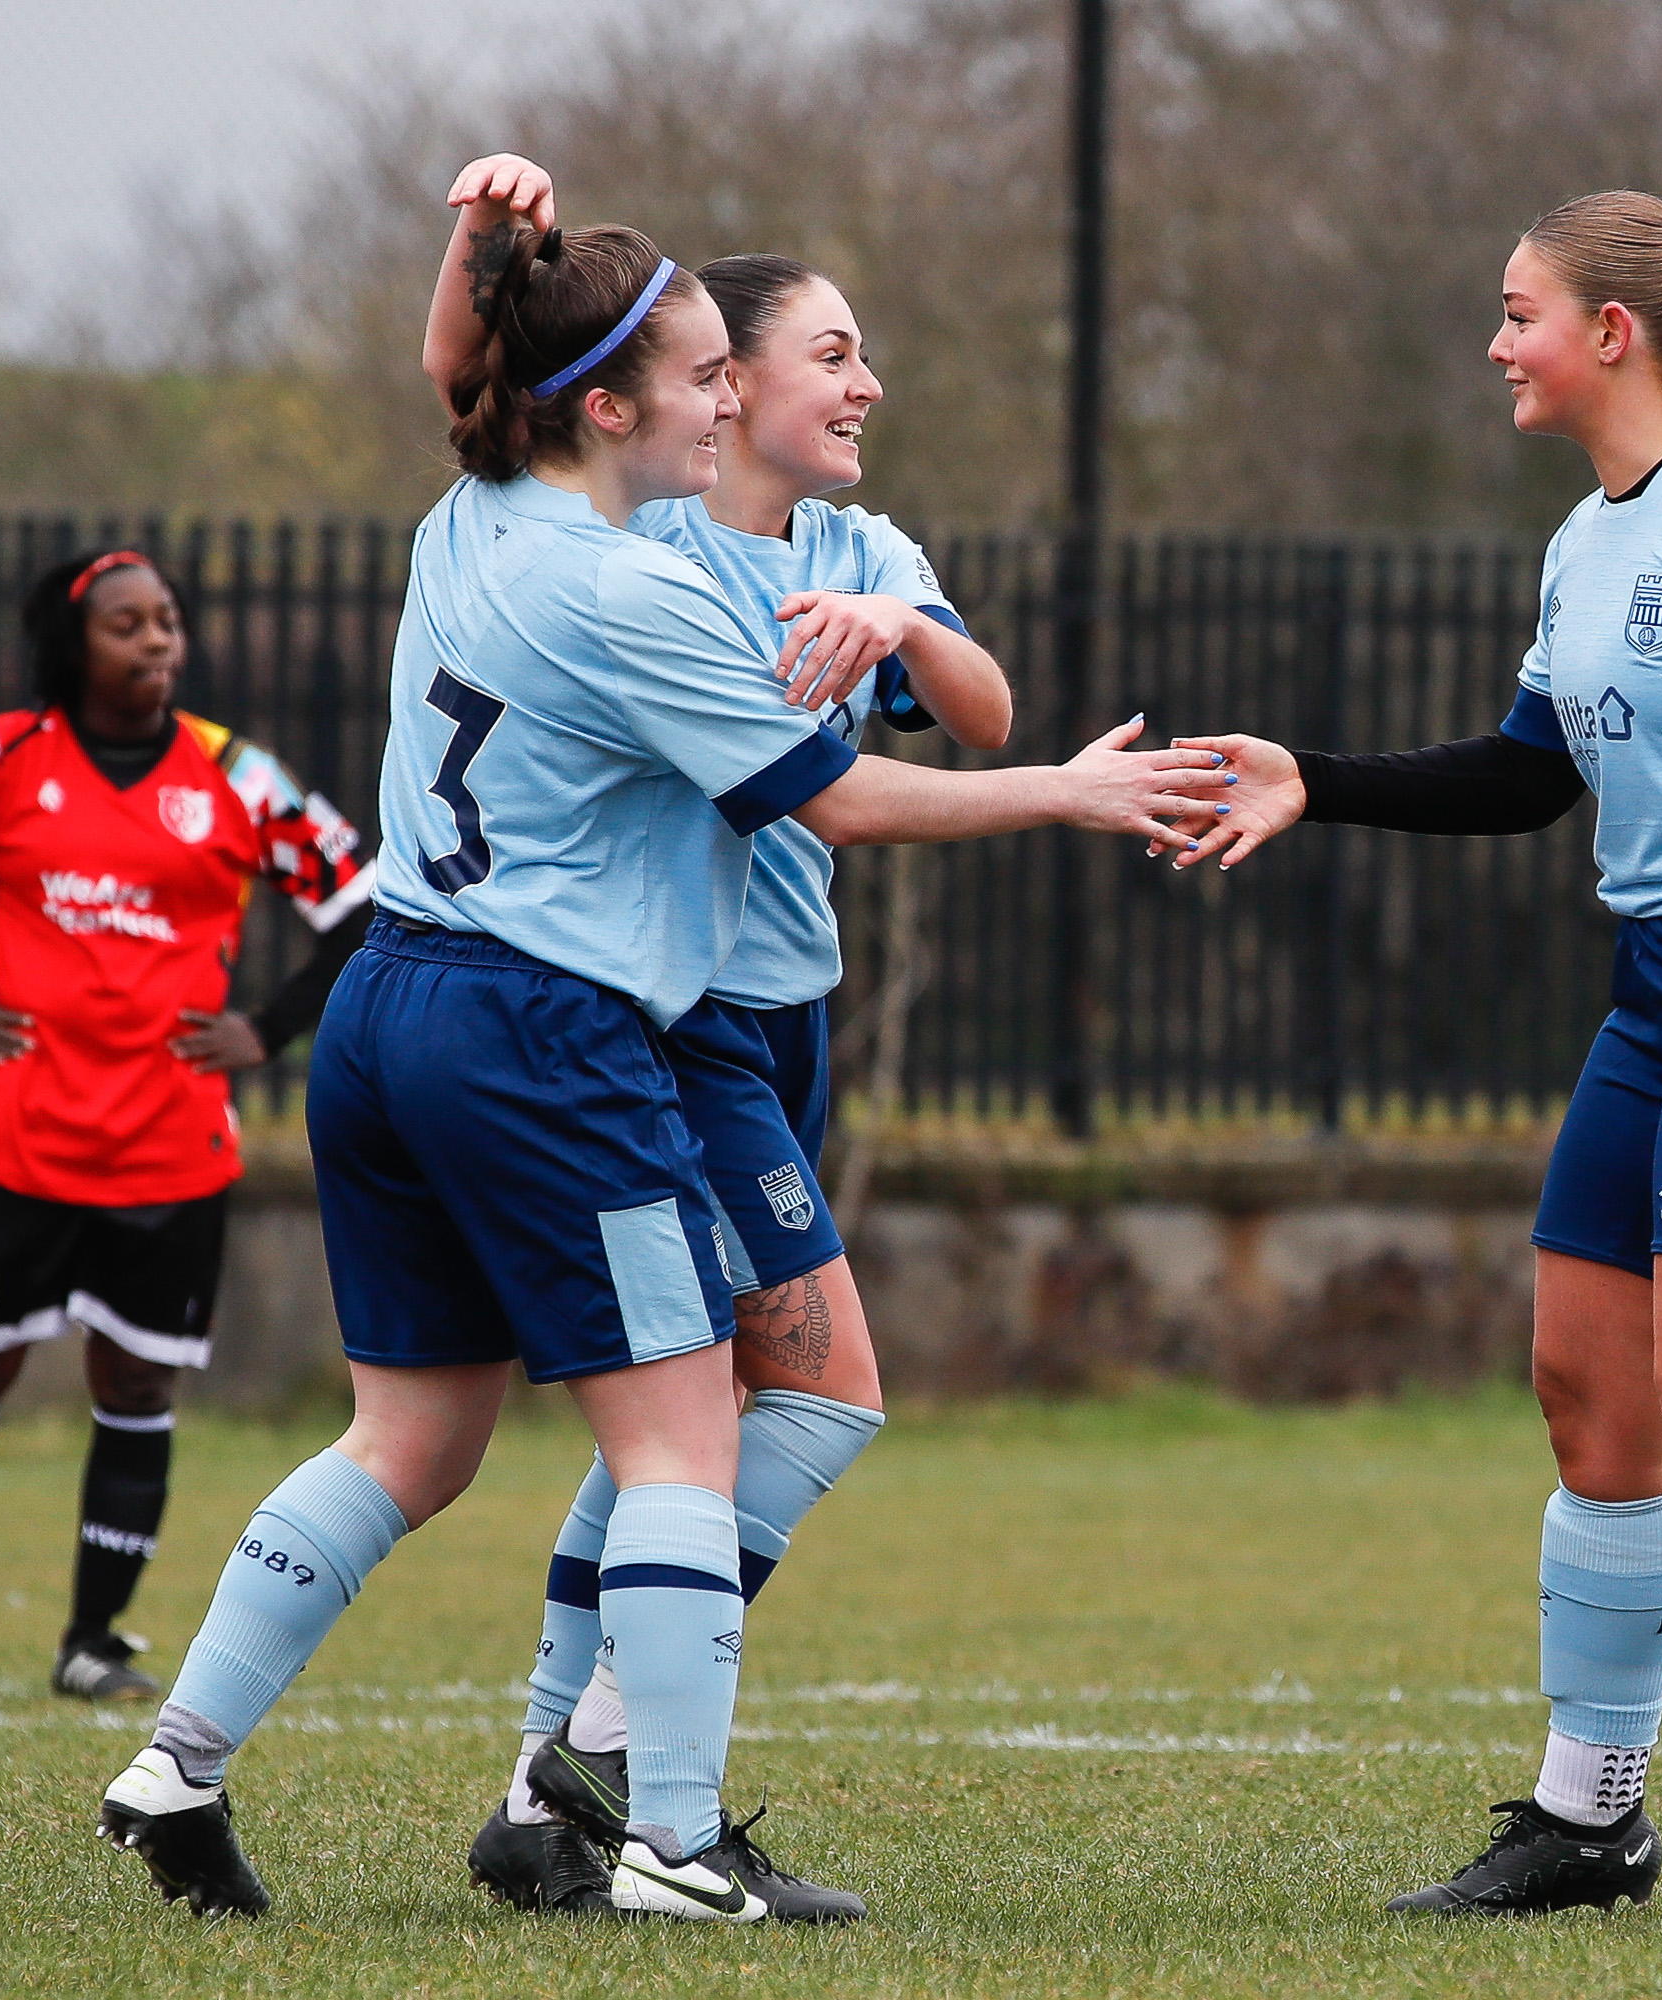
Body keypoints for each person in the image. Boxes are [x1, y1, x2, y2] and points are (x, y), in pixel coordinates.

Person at [95, 216, 1233, 1925]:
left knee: (411, 1438)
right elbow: (838, 799)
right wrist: (1067, 793)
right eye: (706, 376)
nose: (727, 406)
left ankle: (173, 1765)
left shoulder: (465, 515)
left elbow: (465, 376)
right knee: (692, 1436)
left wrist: (482, 241)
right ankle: (670, 1845)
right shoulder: (629, 587)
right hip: (543, 1037)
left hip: (393, 1009)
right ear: (606, 407)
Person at [1175, 192, 1662, 1934]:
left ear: (1613, 332)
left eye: (1516, 310)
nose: (1494, 339)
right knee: (1593, 1406)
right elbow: (1531, 773)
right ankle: (1588, 1824)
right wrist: (1318, 775)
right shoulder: (1586, 537)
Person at [416, 157, 1017, 1917]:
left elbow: (980, 709)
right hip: (671, 1032)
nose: (866, 383)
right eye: (833, 351)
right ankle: (600, 1755)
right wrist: (480, 239)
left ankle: (549, 1790)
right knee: (814, 1399)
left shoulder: (859, 546)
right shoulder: (630, 530)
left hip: (786, 1018)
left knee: (687, 1422)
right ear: (723, 383)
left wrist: (899, 625)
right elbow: (469, 388)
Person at [0, 548, 374, 1709]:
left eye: (168, 619)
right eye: (128, 623)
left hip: (171, 1147)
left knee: (136, 1386)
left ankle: (94, 1641)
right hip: (13, 1139)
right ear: (75, 644)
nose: (157, 639)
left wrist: (266, 1029)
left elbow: (362, 896)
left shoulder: (237, 775)